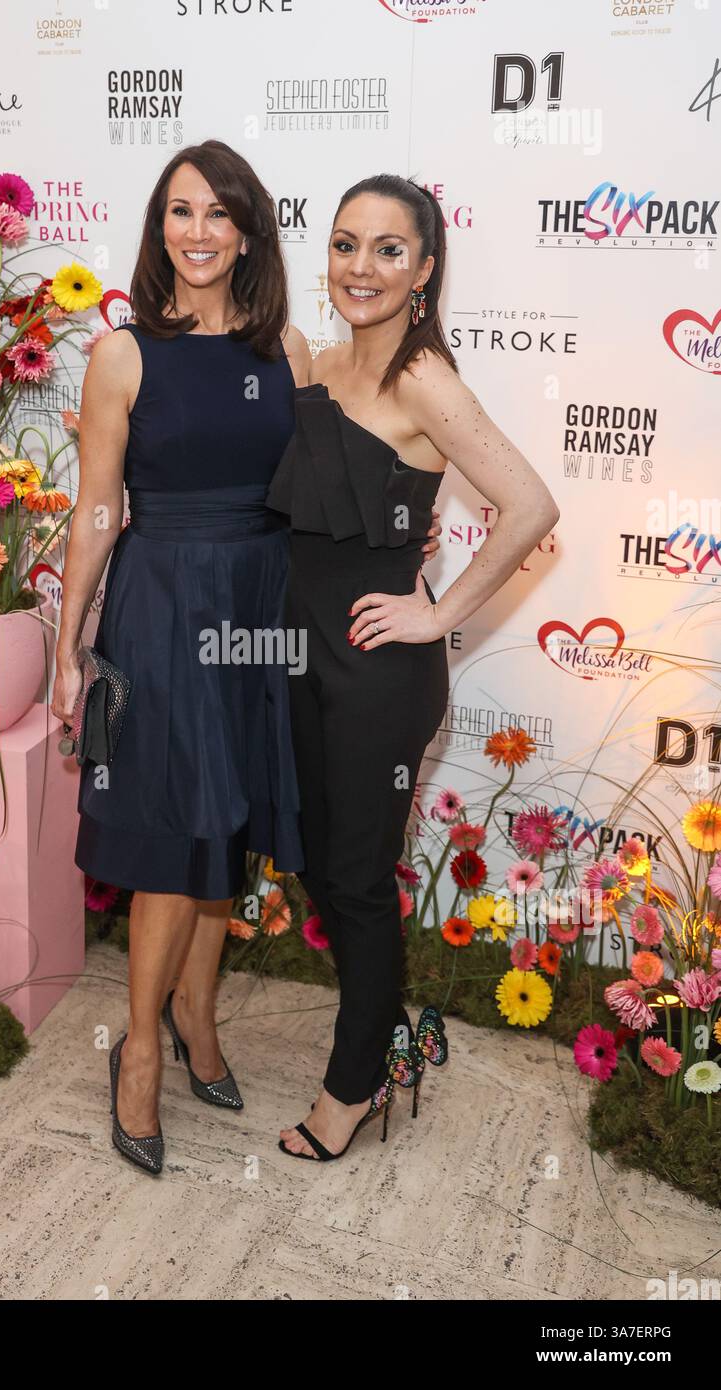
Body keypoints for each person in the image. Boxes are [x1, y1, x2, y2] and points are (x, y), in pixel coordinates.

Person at [51, 143, 445, 1175]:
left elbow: (345, 481)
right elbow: (96, 512)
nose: (197, 232)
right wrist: (69, 645)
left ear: (248, 232)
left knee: (231, 816)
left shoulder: (292, 351)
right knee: (179, 828)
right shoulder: (123, 355)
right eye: (179, 212)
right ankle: (138, 1053)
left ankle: (196, 1011)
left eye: (219, 213)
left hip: (267, 606)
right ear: (158, 228)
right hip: (165, 602)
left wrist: (408, 560)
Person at [268, 174, 560, 1161]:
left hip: (374, 674)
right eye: (346, 244)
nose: (361, 266)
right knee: (320, 865)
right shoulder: (328, 362)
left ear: (425, 269)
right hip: (302, 655)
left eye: (388, 250)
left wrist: (434, 610)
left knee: (353, 880)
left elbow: (528, 505)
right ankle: (381, 1040)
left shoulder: (422, 378)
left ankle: (356, 1087)